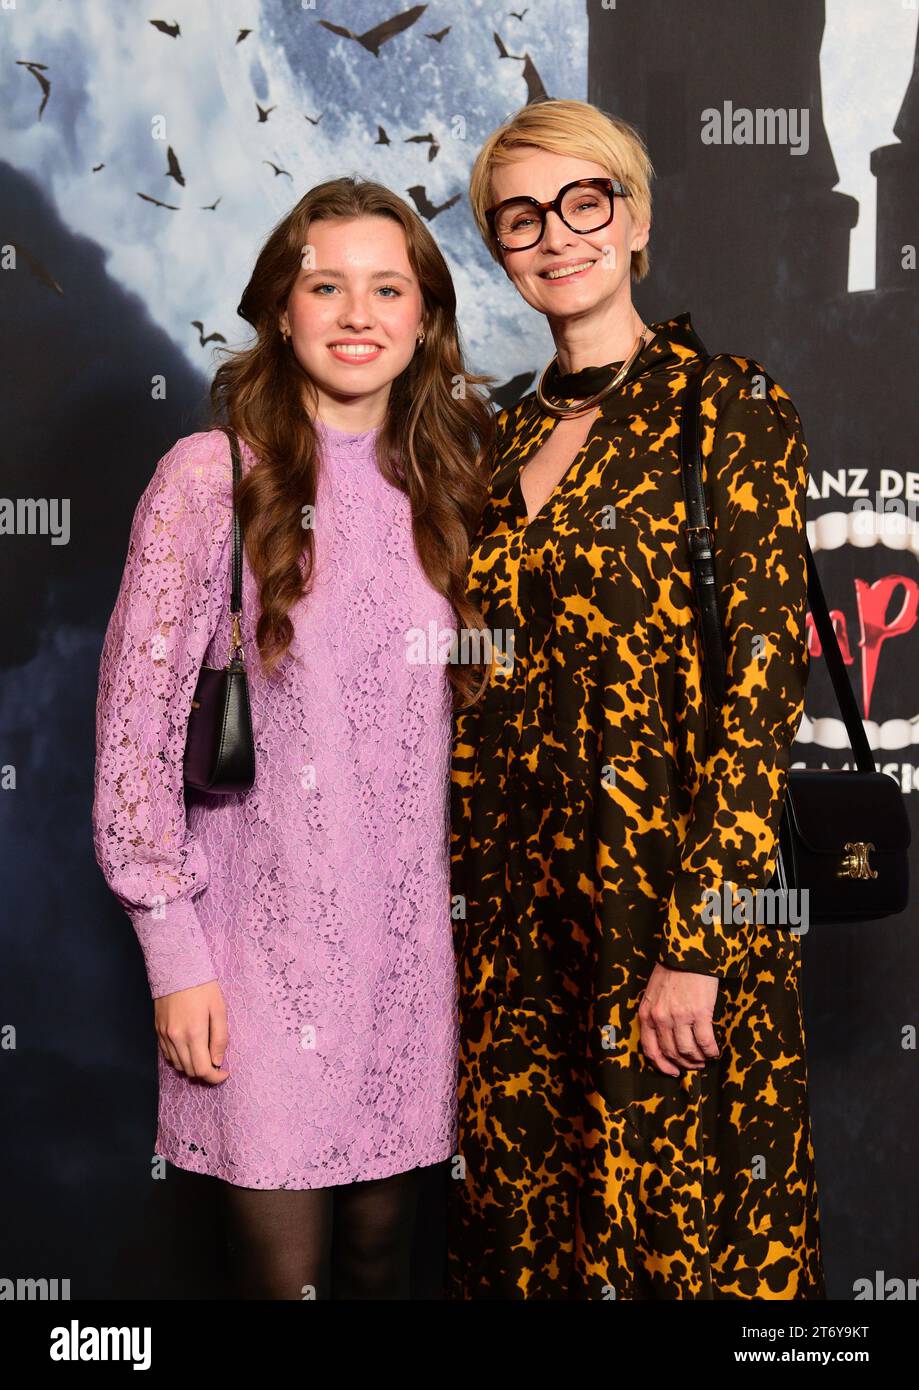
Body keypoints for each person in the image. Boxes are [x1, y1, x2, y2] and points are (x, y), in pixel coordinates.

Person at [448, 98, 826, 1299]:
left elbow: (762, 700)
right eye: (521, 219)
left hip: (667, 916)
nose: (555, 235)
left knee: (690, 1250)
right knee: (532, 1250)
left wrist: (703, 945)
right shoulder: (490, 438)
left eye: (582, 202)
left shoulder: (725, 408)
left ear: (634, 218)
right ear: (498, 250)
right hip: (517, 935)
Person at [92, 176, 493, 1299]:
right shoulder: (206, 478)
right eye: (327, 285)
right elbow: (132, 740)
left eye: (386, 287)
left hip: (410, 963)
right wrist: (174, 955)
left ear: (424, 318)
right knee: (287, 1282)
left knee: (380, 1262)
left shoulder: (454, 486)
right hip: (255, 960)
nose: (358, 313)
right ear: (281, 307)